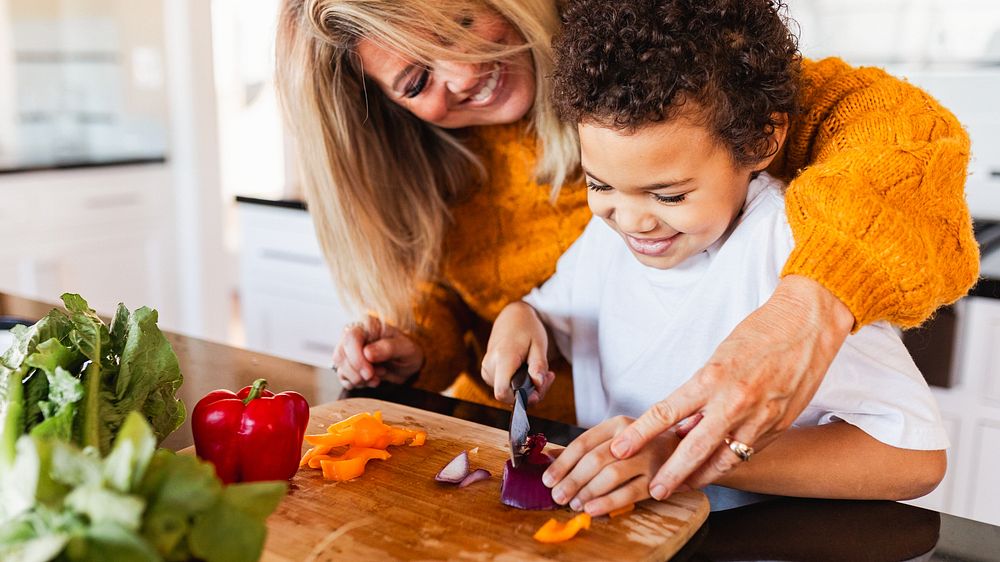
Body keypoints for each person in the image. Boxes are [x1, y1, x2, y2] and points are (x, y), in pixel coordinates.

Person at [274, 0, 976, 495]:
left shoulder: (690, 105)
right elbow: (533, 302)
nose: (462, 72)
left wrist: (811, 305)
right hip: (594, 477)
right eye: (418, 80)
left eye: (460, 21)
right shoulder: (607, 226)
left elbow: (910, 456)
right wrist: (484, 325)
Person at [482, 0, 950, 514]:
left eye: (669, 196)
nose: (633, 220)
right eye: (600, 184)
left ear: (760, 141)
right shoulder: (607, 236)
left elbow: (914, 458)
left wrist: (686, 457)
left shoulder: (791, 247)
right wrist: (521, 318)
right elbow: (554, 314)